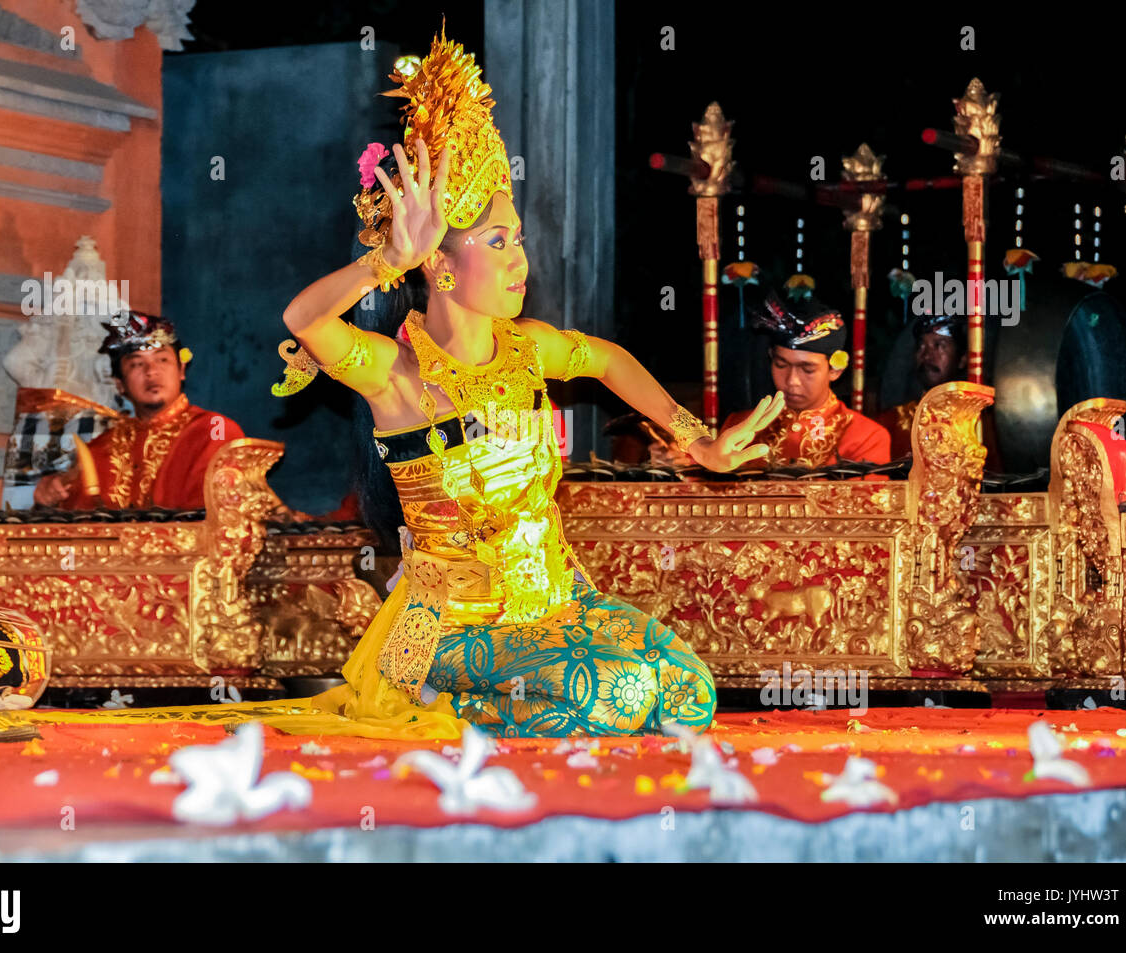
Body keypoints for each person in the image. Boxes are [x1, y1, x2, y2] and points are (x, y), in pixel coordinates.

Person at [275, 30, 783, 738]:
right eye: (498, 242)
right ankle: (441, 702)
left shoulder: (528, 349)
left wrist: (696, 439)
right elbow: (304, 319)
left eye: (516, 238)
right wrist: (385, 260)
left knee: (687, 690)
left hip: (553, 603)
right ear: (439, 265)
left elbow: (608, 360)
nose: (521, 260)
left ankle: (504, 713)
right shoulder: (397, 372)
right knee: (619, 691)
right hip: (452, 625)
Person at [33, 311, 245, 510]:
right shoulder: (99, 450)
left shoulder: (214, 430)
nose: (151, 372)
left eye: (162, 360)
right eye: (136, 364)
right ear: (120, 384)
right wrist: (48, 497)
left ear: (181, 370)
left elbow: (219, 516)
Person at [721, 289, 889, 467]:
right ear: (771, 357)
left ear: (835, 370)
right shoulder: (739, 427)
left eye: (807, 370)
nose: (792, 380)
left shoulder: (866, 437)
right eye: (781, 365)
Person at [876, 313, 965, 459]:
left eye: (939, 346)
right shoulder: (893, 421)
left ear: (962, 359)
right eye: (921, 346)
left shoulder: (979, 422)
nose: (927, 355)